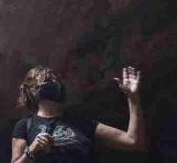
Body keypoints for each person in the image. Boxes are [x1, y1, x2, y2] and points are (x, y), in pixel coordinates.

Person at [10, 66, 146, 163]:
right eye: (46, 77)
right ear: (32, 89)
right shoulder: (25, 126)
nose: (53, 79)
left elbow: (133, 141)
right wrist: (32, 150)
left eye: (54, 77)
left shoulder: (82, 122)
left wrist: (133, 99)